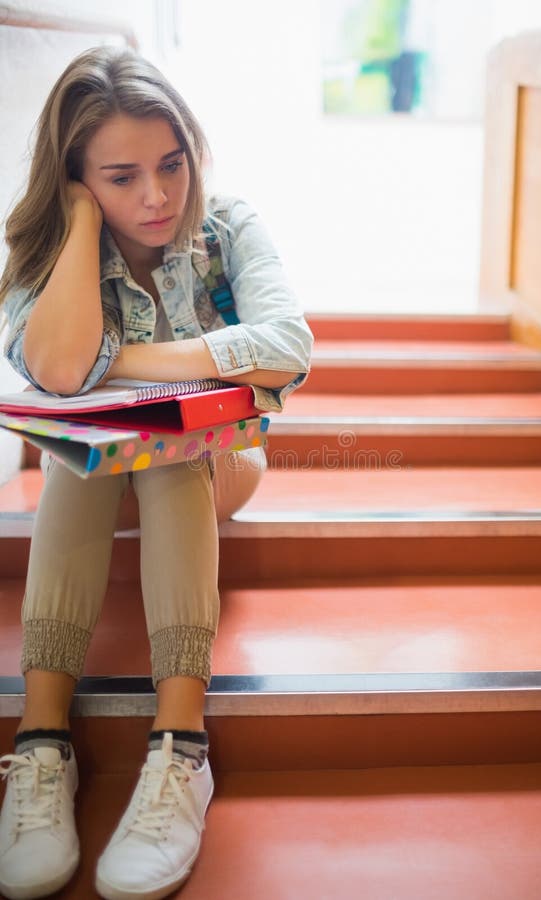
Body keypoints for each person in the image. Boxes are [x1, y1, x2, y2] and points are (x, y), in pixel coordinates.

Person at [0, 45, 312, 900]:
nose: (157, 197)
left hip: (222, 465)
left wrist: (125, 360)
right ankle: (41, 747)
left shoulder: (229, 224)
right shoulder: (51, 244)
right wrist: (77, 225)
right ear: (75, 178)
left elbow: (287, 349)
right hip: (95, 478)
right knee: (86, 458)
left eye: (171, 165)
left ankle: (181, 749)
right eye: (120, 176)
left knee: (169, 447)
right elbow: (60, 370)